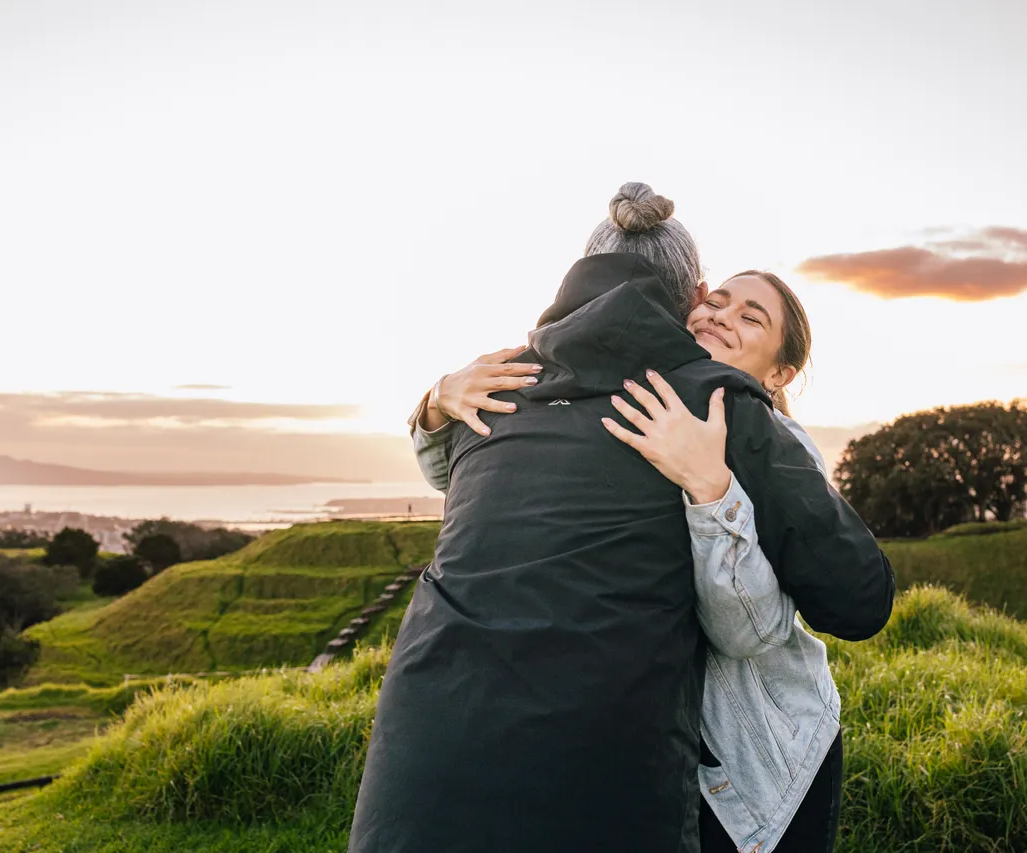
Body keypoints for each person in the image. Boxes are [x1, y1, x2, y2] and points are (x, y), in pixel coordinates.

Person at [348, 183, 892, 853]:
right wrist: (438, 399)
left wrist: (710, 484)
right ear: (691, 297)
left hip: (761, 749)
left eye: (751, 317)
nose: (722, 317)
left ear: (780, 373)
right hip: (662, 752)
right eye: (718, 301)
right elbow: (455, 468)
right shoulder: (521, 385)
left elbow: (770, 625)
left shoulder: (736, 418)